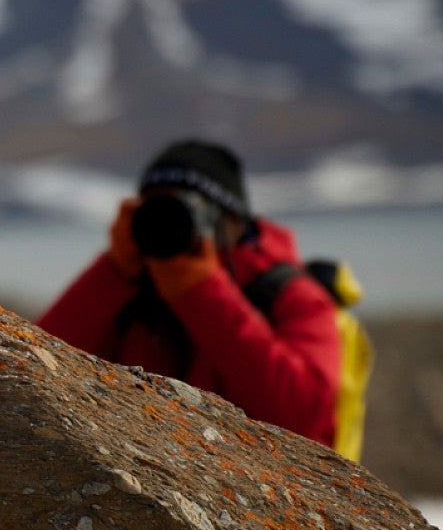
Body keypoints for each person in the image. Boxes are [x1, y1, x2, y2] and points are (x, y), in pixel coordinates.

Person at [36, 139, 341, 446]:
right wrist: (113, 271)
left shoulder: (291, 294)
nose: (172, 221)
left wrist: (202, 291)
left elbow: (304, 417)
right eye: (157, 207)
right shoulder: (132, 285)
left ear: (234, 223)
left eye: (191, 210)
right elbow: (36, 370)